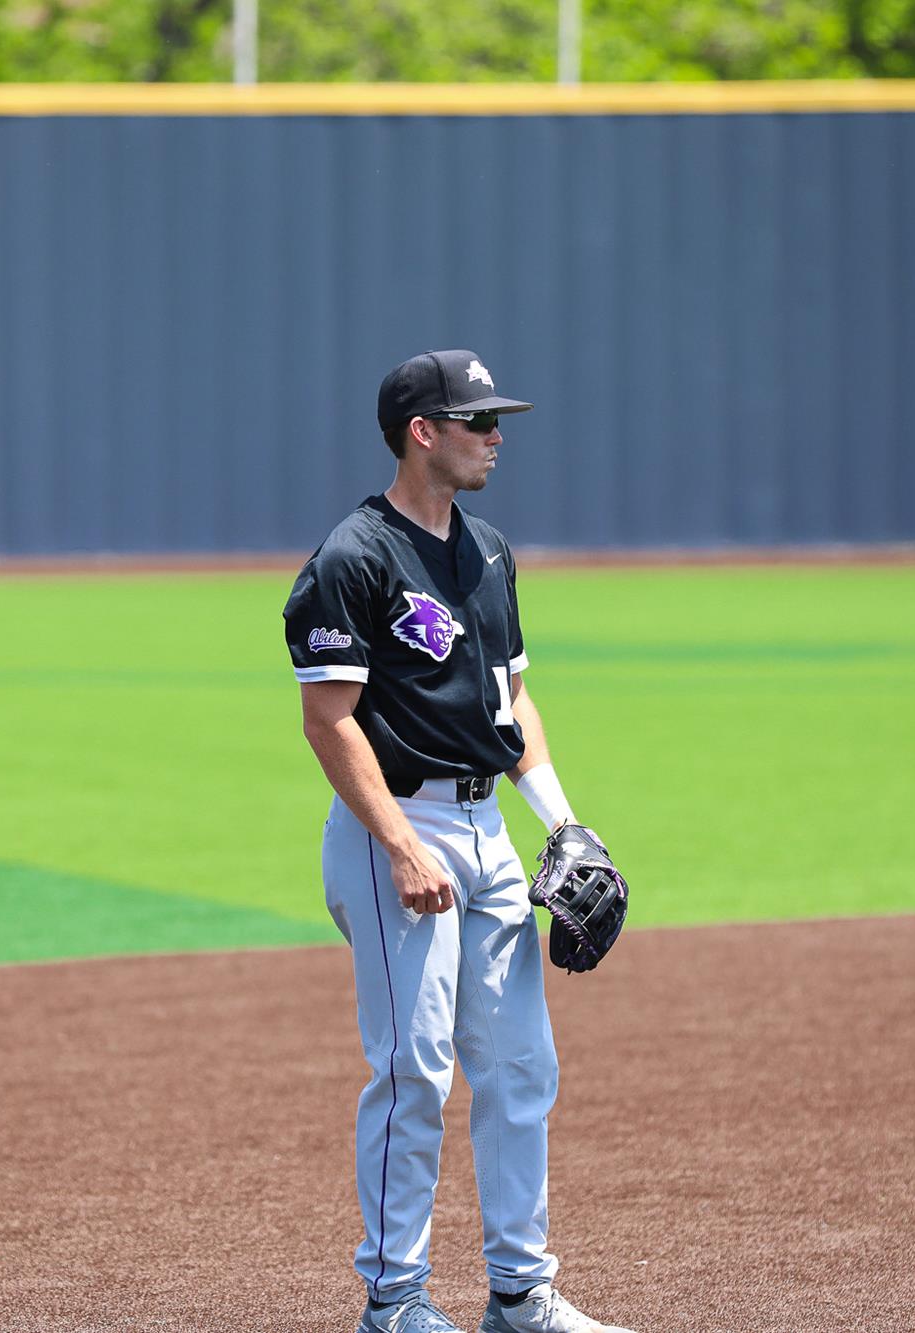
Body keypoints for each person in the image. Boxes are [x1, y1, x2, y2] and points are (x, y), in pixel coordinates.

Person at [284, 350, 631, 1333]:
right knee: (413, 1071)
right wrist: (399, 844)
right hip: (396, 829)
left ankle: (520, 1295)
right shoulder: (352, 558)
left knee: (520, 1066)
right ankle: (394, 1301)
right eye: (477, 419)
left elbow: (512, 700)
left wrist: (561, 820)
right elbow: (328, 720)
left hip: (487, 831)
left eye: (495, 418)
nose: (495, 435)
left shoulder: (487, 551)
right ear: (421, 432)